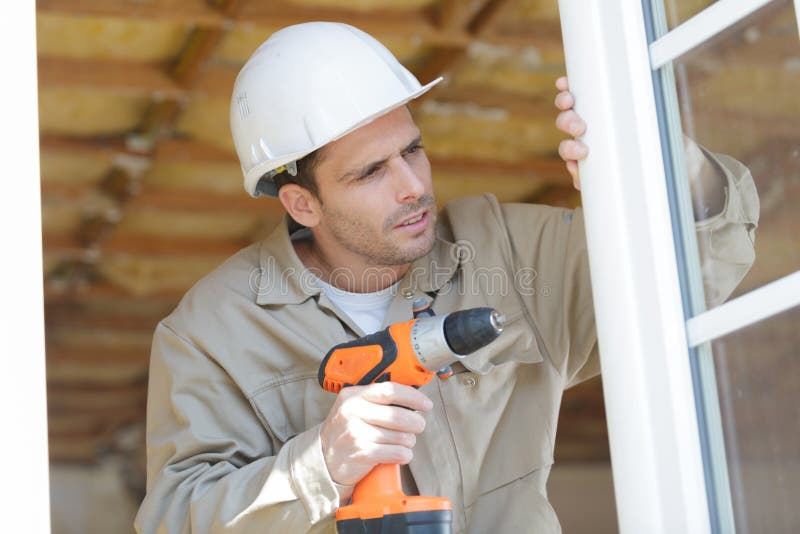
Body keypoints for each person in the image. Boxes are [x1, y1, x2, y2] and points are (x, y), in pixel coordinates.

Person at [135, 22, 758, 533]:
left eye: (412, 150)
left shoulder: (508, 254)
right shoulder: (212, 330)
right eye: (370, 172)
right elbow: (173, 519)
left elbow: (705, 269)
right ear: (302, 203)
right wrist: (320, 464)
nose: (413, 186)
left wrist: (661, 164)